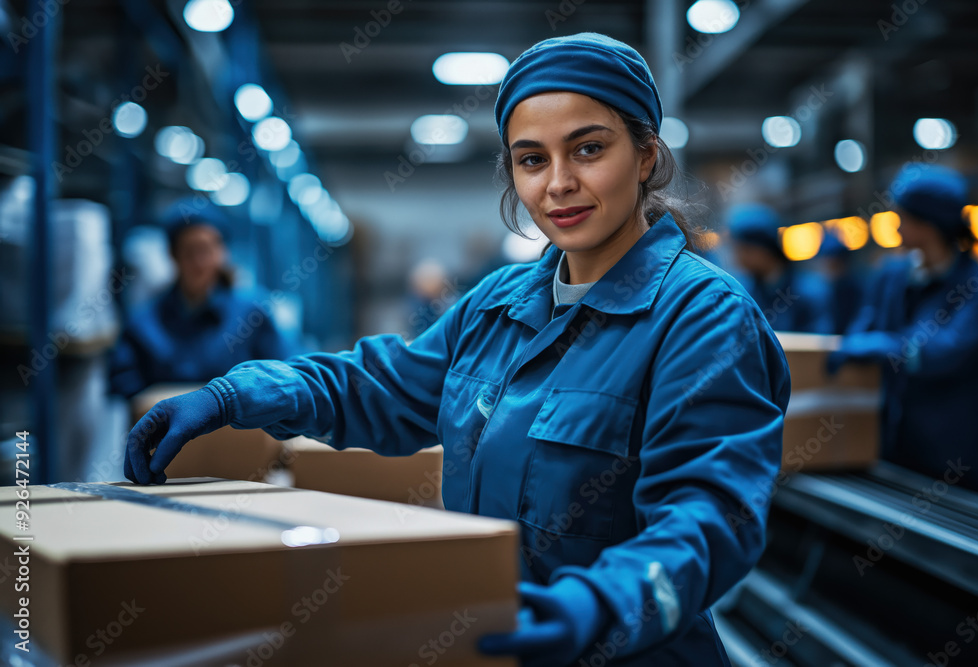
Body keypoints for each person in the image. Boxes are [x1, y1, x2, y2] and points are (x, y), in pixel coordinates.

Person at [124, 34, 789, 665]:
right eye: (532, 159)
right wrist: (233, 394)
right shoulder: (498, 304)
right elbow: (378, 387)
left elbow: (710, 514)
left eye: (587, 149)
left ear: (645, 155)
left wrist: (598, 606)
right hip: (499, 642)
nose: (557, 183)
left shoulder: (702, 316)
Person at [830, 164, 978, 495]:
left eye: (901, 216)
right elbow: (860, 330)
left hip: (952, 460)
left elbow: (942, 353)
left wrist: (884, 346)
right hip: (890, 452)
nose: (893, 226)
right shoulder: (890, 277)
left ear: (929, 224)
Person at [109, 201, 291, 399]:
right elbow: (125, 388)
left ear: (223, 252)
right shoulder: (143, 324)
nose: (199, 262)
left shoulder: (253, 314)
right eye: (189, 251)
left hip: (237, 430)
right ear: (172, 254)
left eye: (206, 250)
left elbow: (282, 375)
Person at [726, 203, 833, 333]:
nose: (737, 259)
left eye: (743, 250)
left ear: (763, 249)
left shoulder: (809, 292)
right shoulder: (745, 291)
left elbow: (817, 347)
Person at [816, 232, 864, 335]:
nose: (828, 266)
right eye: (827, 262)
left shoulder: (854, 289)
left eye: (834, 263)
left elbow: (859, 322)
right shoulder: (824, 290)